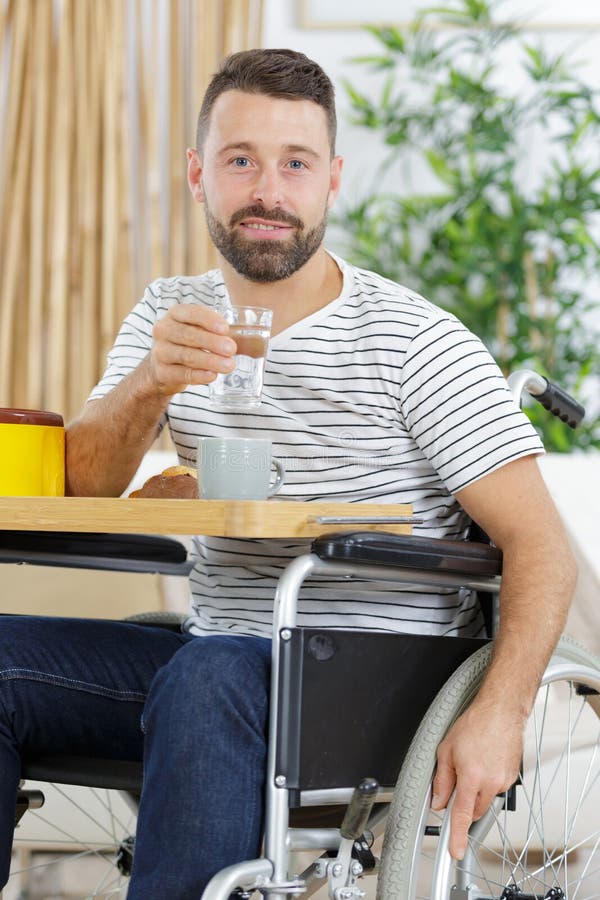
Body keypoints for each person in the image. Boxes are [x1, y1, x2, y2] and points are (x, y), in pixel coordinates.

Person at [0, 48, 576, 897]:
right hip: (217, 664)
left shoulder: (415, 342)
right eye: (241, 160)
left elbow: (541, 547)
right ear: (199, 173)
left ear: (331, 179)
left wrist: (500, 711)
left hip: (373, 686)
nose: (268, 191)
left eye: (295, 163)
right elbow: (82, 490)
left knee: (211, 675)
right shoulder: (167, 314)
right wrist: (149, 383)